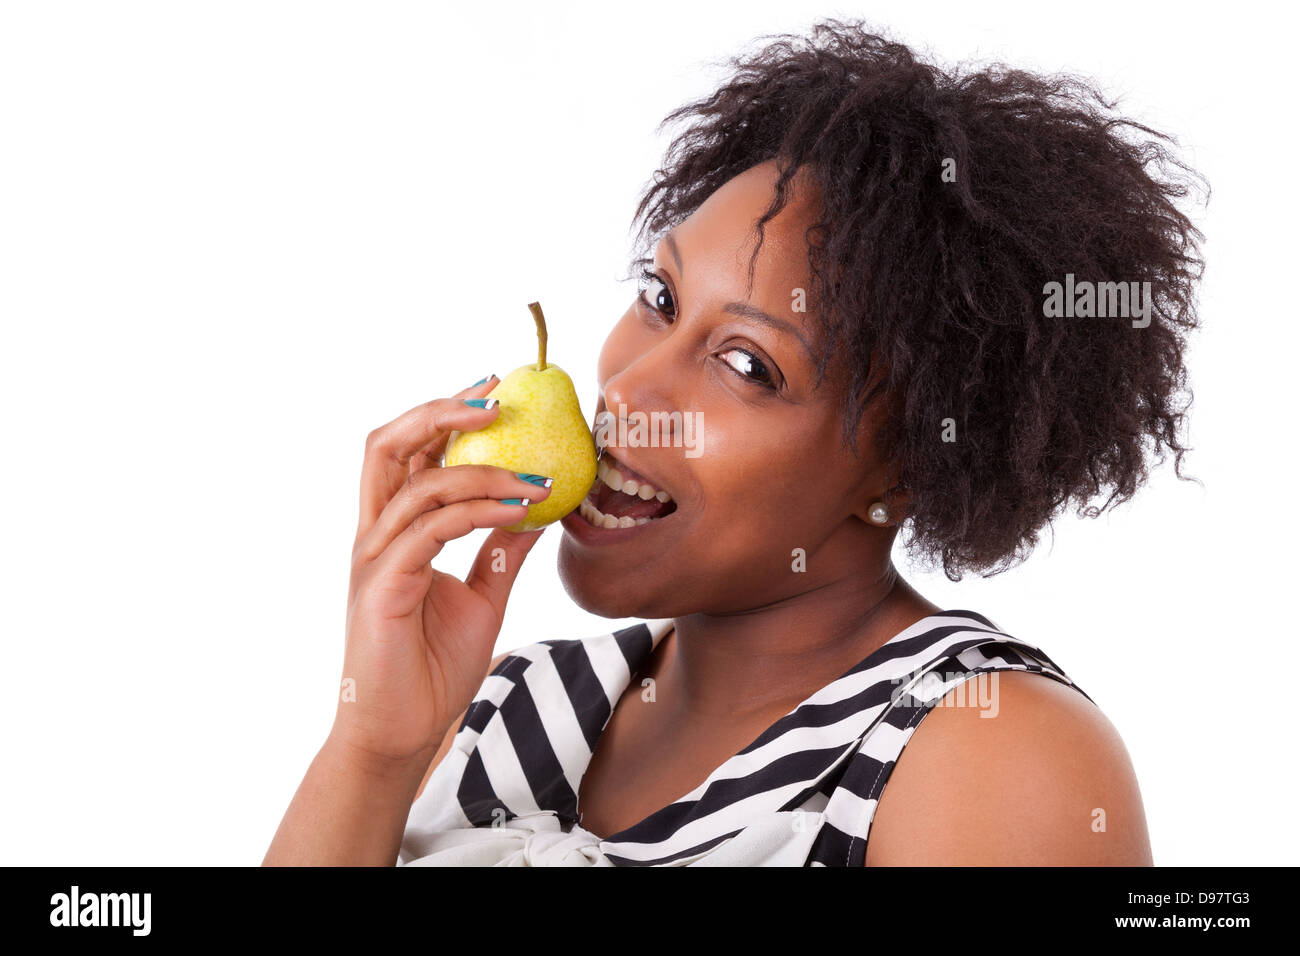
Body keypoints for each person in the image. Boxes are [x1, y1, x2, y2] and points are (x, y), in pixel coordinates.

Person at [265, 19, 1203, 866]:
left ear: (905, 470)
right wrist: (372, 753)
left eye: (748, 365)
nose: (628, 386)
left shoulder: (991, 755)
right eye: (662, 299)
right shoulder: (498, 711)